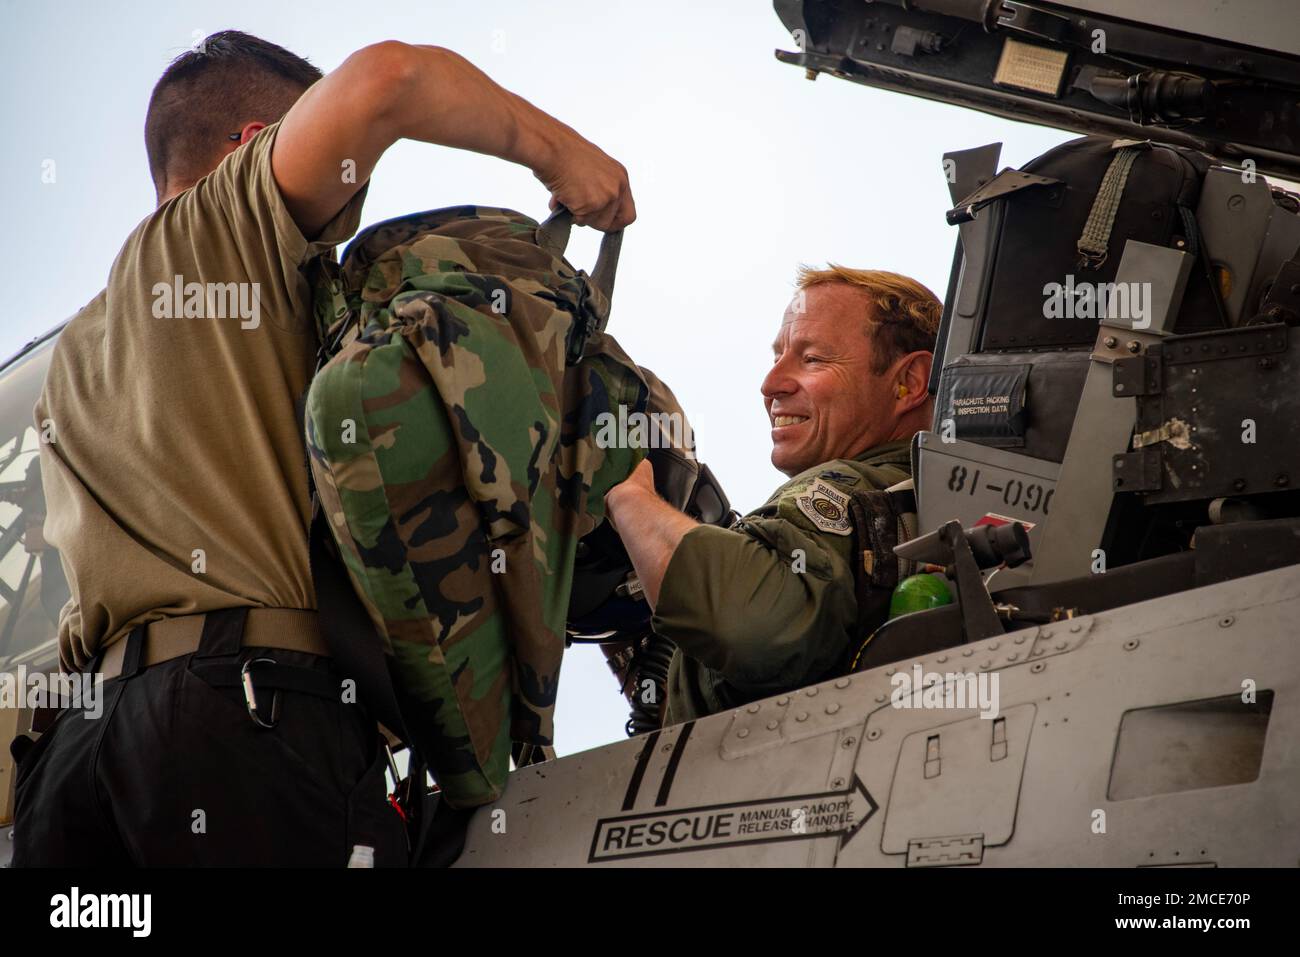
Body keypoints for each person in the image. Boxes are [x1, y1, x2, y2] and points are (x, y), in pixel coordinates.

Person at [13, 31, 632, 866]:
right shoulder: (219, 230)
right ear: (254, 143)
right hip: (238, 719)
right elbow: (391, 78)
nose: (354, 204)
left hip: (78, 763)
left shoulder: (80, 351)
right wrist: (567, 158)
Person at [604, 266, 940, 724]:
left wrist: (629, 498)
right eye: (778, 355)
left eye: (813, 359)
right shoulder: (932, 500)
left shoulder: (855, 491)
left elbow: (750, 622)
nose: (771, 383)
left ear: (909, 382)